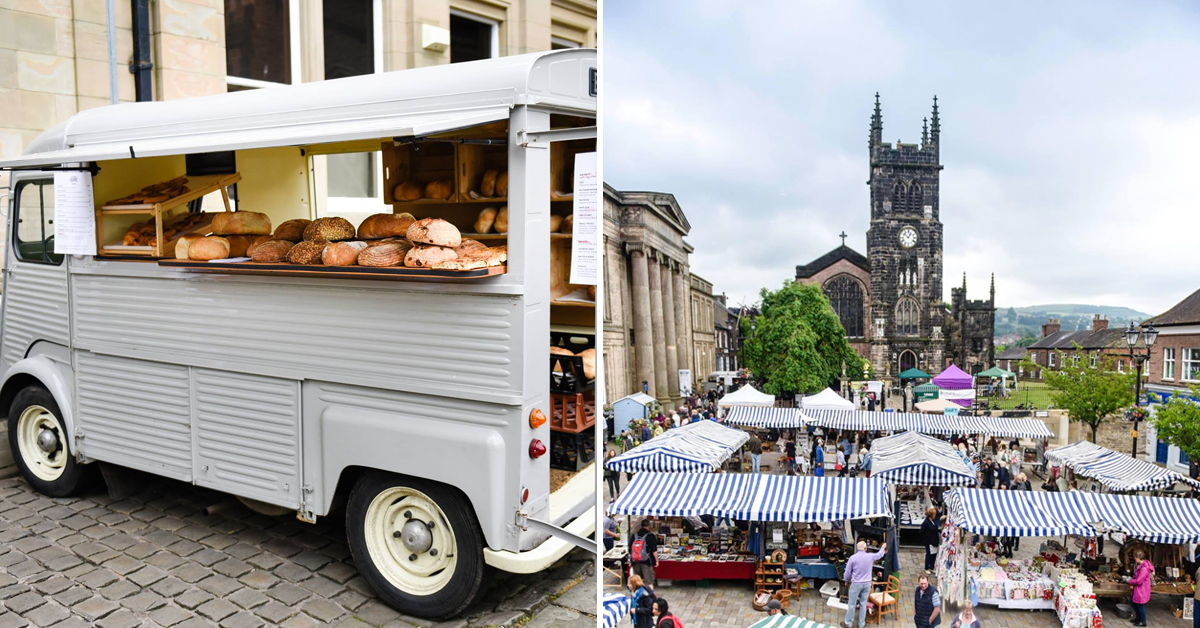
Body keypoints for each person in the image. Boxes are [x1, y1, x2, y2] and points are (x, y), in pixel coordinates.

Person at [843, 540, 888, 628]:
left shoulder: (853, 558)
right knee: (863, 604)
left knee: (852, 604)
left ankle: (848, 623)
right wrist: (883, 547)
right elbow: (879, 555)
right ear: (865, 548)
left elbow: (847, 572)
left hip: (856, 584)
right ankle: (861, 624)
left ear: (857, 549)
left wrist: (846, 580)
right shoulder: (870, 557)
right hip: (867, 584)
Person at [1127, 549, 1153, 627]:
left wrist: (1130, 580)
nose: (1134, 559)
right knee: (1131, 601)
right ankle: (1138, 618)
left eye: (1135, 557)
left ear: (1138, 557)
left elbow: (1139, 581)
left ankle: (1143, 621)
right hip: (1139, 589)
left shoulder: (1144, 569)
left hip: (1142, 590)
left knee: (1140, 605)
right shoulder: (1140, 565)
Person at [630, 519, 659, 586]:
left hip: (635, 561)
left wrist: (630, 560)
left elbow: (630, 550)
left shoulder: (634, 536)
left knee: (637, 582)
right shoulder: (650, 536)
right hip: (646, 562)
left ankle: (638, 595)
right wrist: (656, 560)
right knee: (649, 582)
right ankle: (649, 595)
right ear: (648, 526)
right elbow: (654, 550)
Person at [921, 507, 940, 572]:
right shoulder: (926, 522)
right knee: (929, 554)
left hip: (934, 541)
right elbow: (921, 531)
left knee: (934, 554)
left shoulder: (933, 521)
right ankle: (926, 567)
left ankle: (931, 567)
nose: (935, 516)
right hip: (929, 541)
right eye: (934, 514)